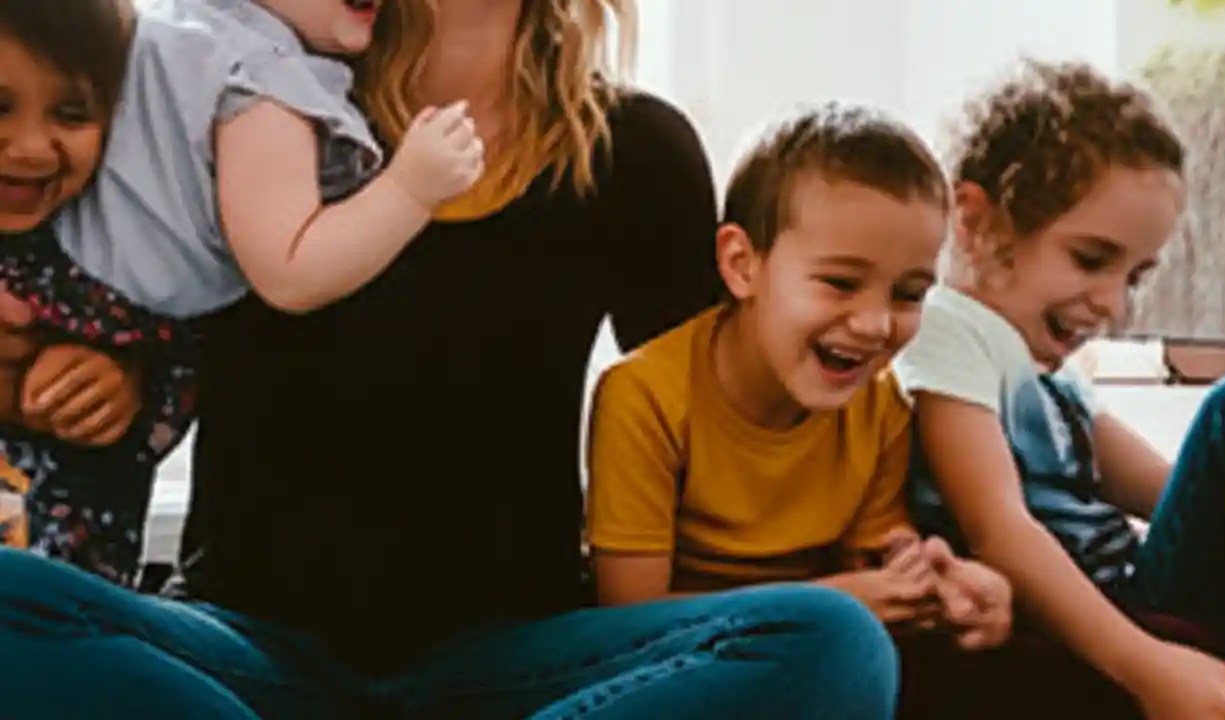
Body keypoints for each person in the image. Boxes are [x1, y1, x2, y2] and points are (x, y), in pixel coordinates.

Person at [0, 1, 901, 717]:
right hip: (251, 646)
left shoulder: (635, 153)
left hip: (516, 658)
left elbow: (717, 429)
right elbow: (114, 295)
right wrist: (119, 376)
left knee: (834, 643)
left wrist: (892, 548)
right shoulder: (260, 101)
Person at [894, 58, 1225, 719]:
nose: (1113, 305)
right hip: (1074, 642)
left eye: (1134, 277)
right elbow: (998, 531)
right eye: (1091, 259)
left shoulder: (1053, 377)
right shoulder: (945, 329)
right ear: (977, 221)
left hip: (1145, 611)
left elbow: (1182, 491)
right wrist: (1150, 669)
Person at [586, 102, 1012, 654]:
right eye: (840, 283)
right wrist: (823, 604)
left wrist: (938, 583)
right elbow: (629, 616)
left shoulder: (879, 405)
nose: (876, 324)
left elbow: (880, 555)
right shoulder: (644, 397)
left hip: (810, 648)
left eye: (908, 294)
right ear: (742, 265)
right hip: (676, 662)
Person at [56, 0, 481, 319]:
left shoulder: (167, 21)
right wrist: (410, 189)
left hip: (48, 273)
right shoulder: (265, 85)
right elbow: (290, 274)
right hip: (110, 318)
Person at [0, 0, 194, 584]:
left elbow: (186, 363)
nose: (32, 147)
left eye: (72, 114)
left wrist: (127, 385)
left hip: (73, 611)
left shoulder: (128, 257)